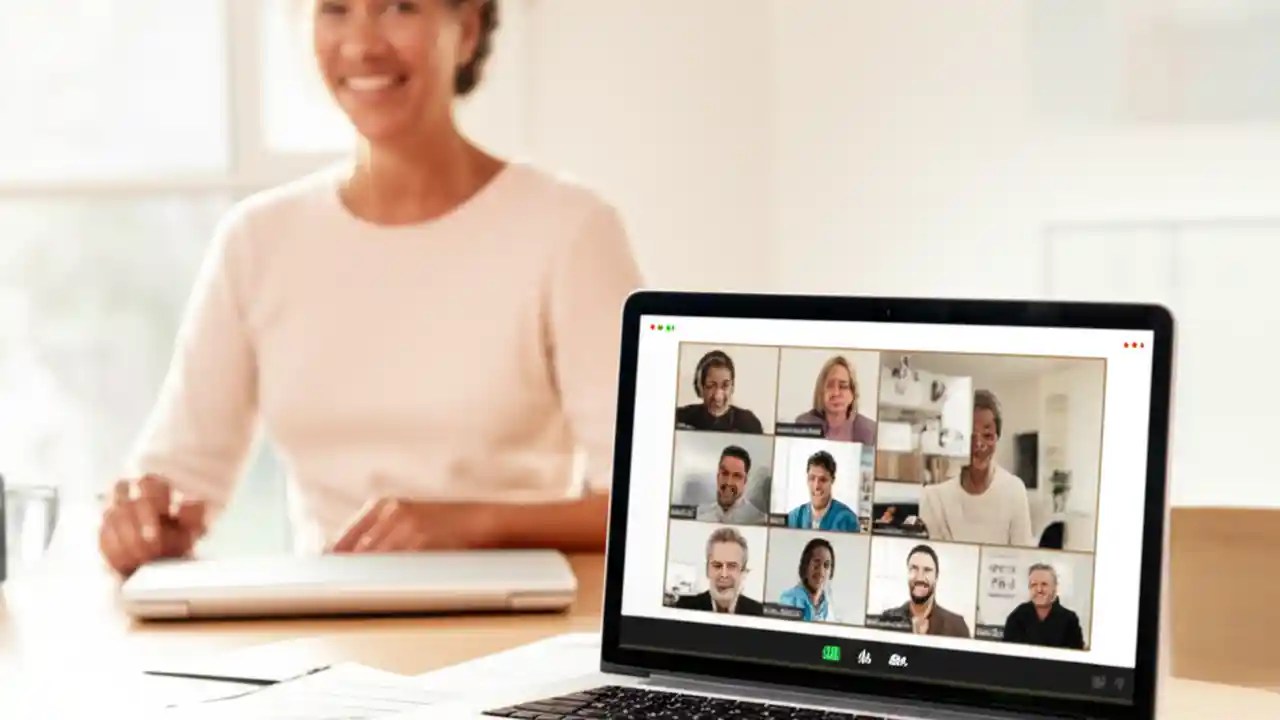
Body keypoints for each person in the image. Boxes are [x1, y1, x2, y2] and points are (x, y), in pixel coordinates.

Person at [98, 0, 643, 577]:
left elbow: (645, 505)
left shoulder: (567, 228)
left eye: (399, 8)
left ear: (468, 29)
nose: (362, 45)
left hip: (513, 629)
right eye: (335, 10)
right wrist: (141, 526)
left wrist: (470, 524)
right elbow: (176, 478)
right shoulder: (259, 239)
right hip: (322, 639)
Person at [918, 390, 1035, 547]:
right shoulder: (934, 495)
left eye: (987, 435)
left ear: (996, 437)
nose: (979, 444)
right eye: (971, 436)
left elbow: (1023, 553)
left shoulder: (1014, 490)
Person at [877, 544, 970, 637]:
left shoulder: (957, 627)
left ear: (936, 577)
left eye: (927, 570)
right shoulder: (887, 620)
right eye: (914, 569)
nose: (920, 578)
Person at [674, 527, 764, 615]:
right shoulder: (683, 608)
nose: (724, 574)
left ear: (743, 572)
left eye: (732, 566)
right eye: (717, 565)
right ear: (707, 570)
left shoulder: (759, 613)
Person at [675, 350, 764, 433]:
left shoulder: (749, 423)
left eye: (725, 385)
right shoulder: (681, 418)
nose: (718, 396)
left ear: (732, 387)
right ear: (700, 387)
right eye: (711, 386)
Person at [793, 355, 876, 444]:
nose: (836, 393)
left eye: (843, 386)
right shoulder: (804, 423)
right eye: (830, 386)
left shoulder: (870, 431)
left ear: (853, 394)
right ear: (821, 392)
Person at [1002, 563, 1086, 649]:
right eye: (1034, 585)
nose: (1039, 590)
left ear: (1055, 587)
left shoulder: (1070, 619)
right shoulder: (1017, 616)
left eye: (1044, 584)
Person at [785, 450, 860, 532]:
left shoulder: (848, 520)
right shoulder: (794, 517)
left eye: (823, 480)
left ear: (832, 480)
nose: (816, 486)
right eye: (812, 478)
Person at [695, 446, 767, 524]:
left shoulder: (759, 521)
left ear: (745, 481)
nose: (729, 482)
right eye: (725, 473)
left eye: (737, 476)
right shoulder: (699, 516)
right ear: (718, 475)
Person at [778, 537, 839, 622]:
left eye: (826, 565)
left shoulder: (827, 605)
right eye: (816, 564)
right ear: (805, 566)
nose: (821, 572)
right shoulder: (789, 599)